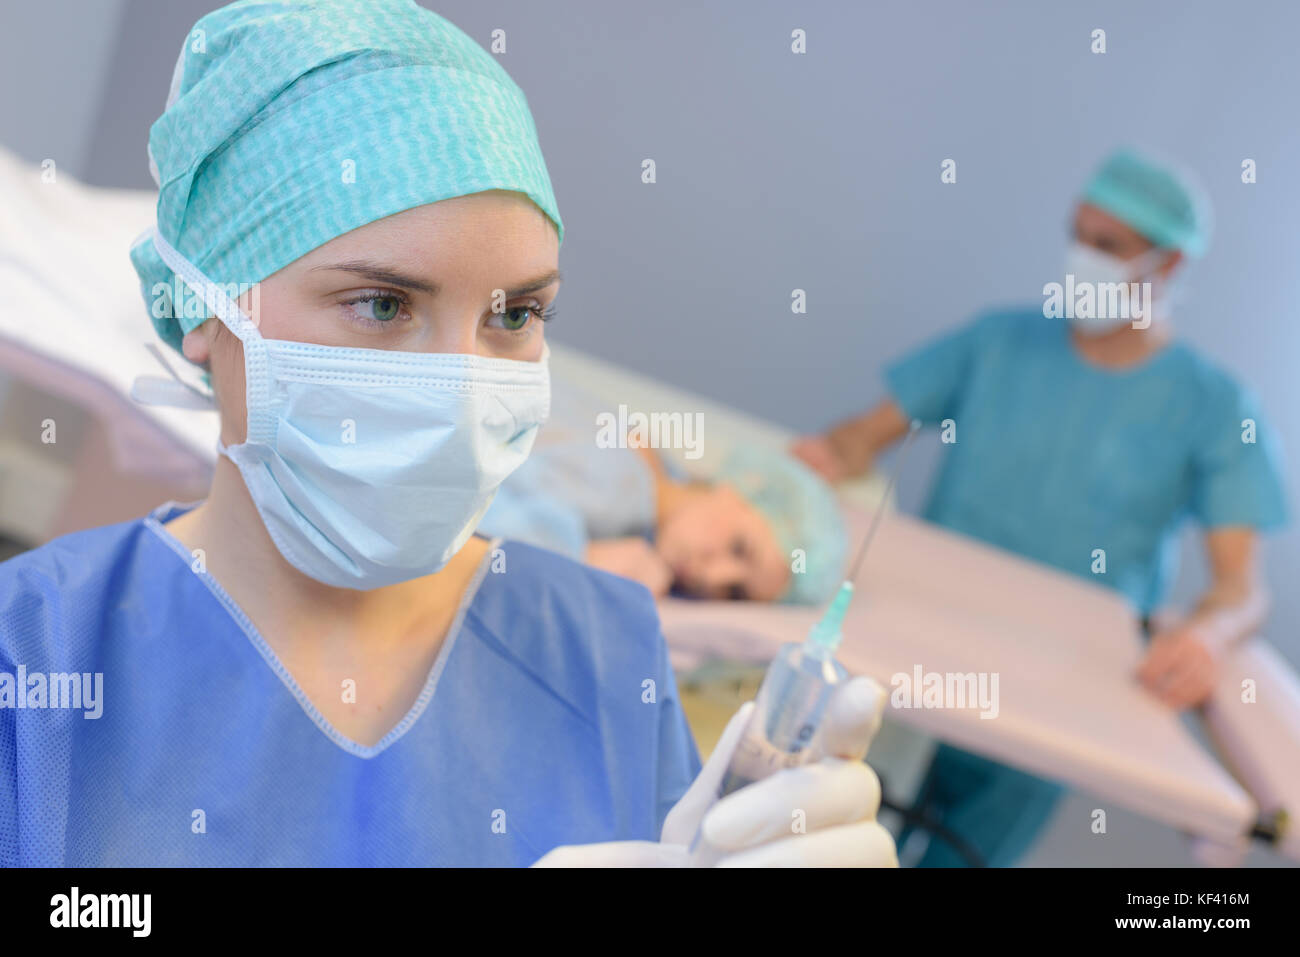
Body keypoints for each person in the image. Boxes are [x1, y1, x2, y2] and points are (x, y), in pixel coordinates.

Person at [0, 0, 895, 867]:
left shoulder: (604, 646)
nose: (463, 387)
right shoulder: (38, 654)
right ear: (206, 306)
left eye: (515, 314)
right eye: (383, 304)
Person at [793, 148, 1288, 867]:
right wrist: (820, 461)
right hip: (916, 640)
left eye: (1109, 246)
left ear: (1170, 264)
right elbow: (859, 440)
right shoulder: (998, 342)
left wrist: (1208, 638)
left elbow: (1242, 587)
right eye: (1078, 236)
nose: (1083, 258)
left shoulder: (1213, 408)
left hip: (1058, 688)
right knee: (828, 835)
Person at [478, 381, 848, 603]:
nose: (713, 578)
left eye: (735, 593)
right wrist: (577, 556)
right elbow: (453, 502)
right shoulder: (620, 487)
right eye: (740, 548)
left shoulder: (650, 468)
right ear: (746, 485)